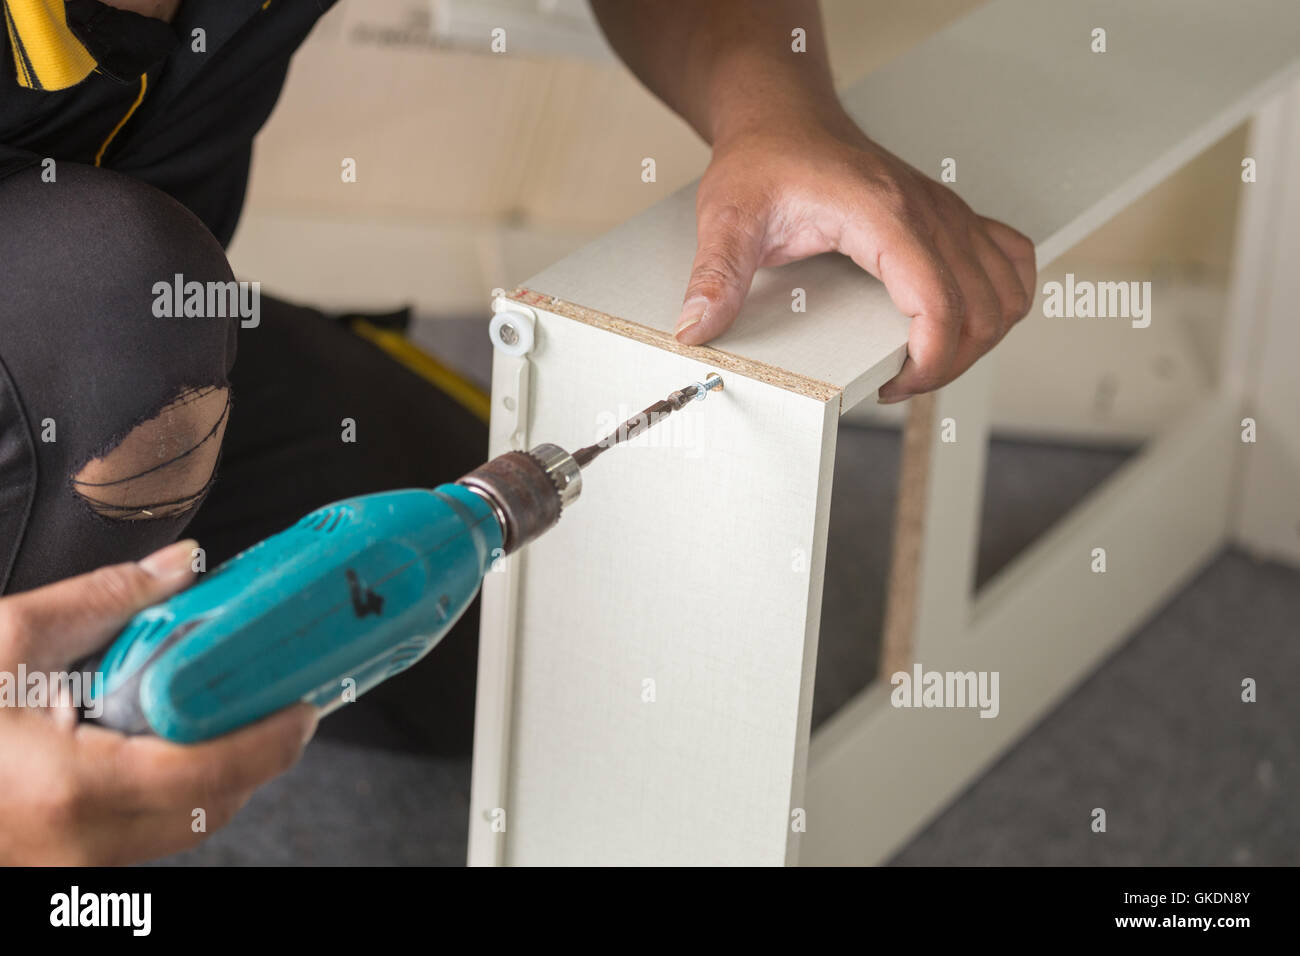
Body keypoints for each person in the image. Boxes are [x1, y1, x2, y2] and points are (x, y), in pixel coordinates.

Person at [0, 0, 1035, 863]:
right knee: (113, 318)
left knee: (551, 637)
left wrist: (775, 109)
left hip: (115, 321)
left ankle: (153, 371)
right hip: (102, 320)